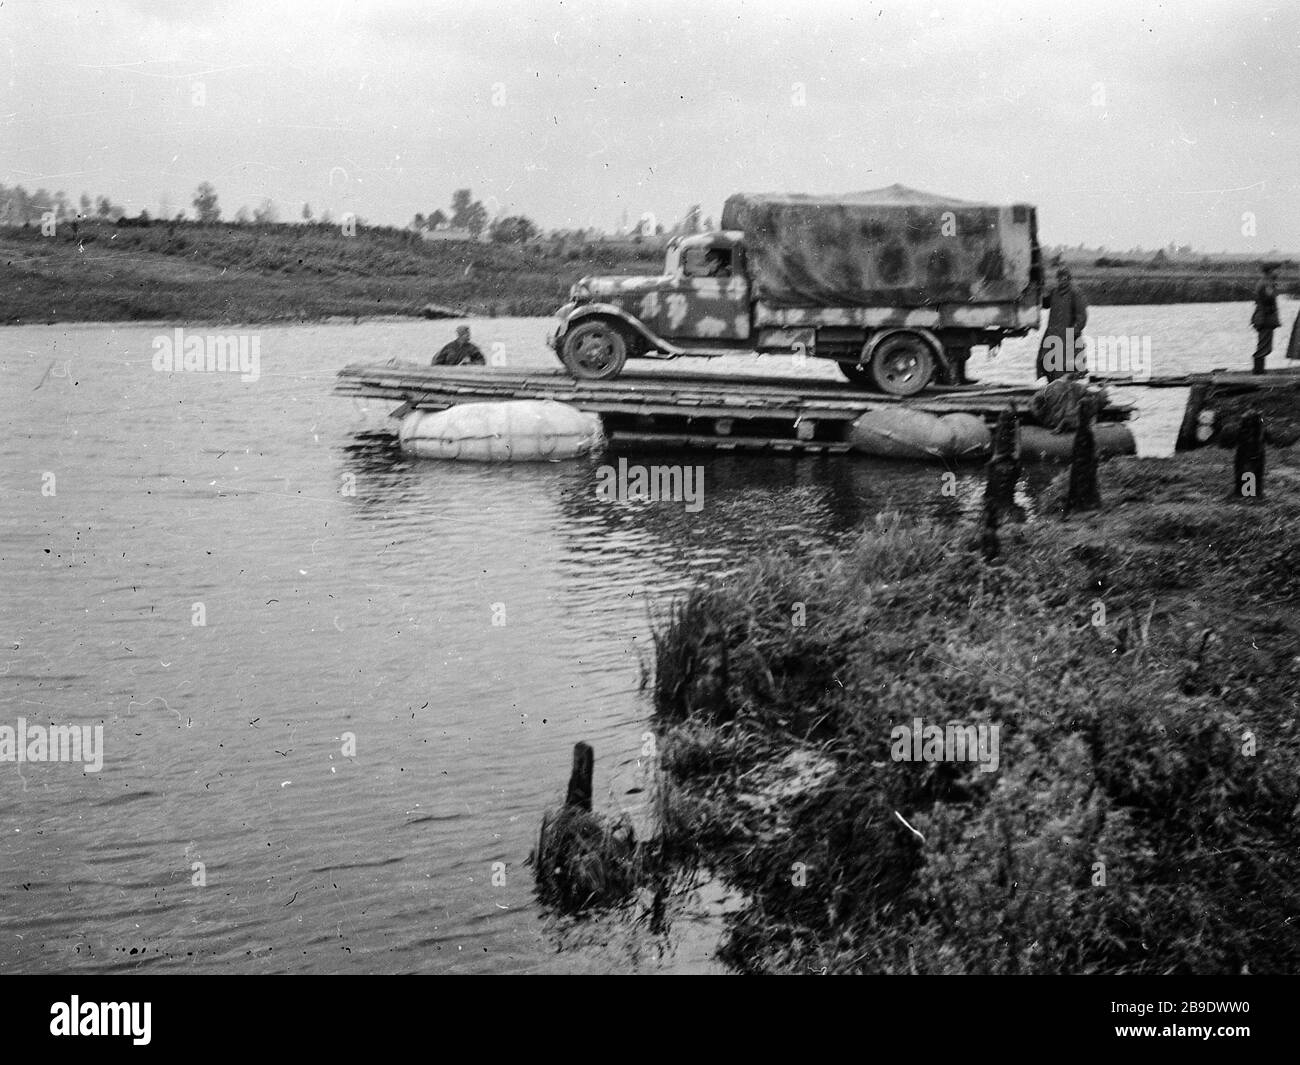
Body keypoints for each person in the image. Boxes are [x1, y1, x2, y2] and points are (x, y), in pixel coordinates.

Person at [1035, 267, 1089, 382]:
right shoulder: (1054, 292)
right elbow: (1045, 304)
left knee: (1068, 365)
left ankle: (1066, 388)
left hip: (1068, 334)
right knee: (1048, 362)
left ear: (1069, 279)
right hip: (1053, 333)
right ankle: (1053, 387)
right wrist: (1038, 291)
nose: (1062, 280)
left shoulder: (1076, 293)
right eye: (1059, 278)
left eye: (1064, 278)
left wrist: (1073, 332)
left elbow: (1082, 316)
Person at [1250, 263, 1280, 375]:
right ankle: (1258, 371)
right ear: (1270, 271)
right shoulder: (1266, 283)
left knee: (1264, 344)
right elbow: (1268, 299)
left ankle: (1259, 370)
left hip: (1263, 318)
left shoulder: (1265, 282)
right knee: (1263, 345)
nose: (1278, 273)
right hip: (1264, 319)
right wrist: (1274, 286)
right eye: (1275, 270)